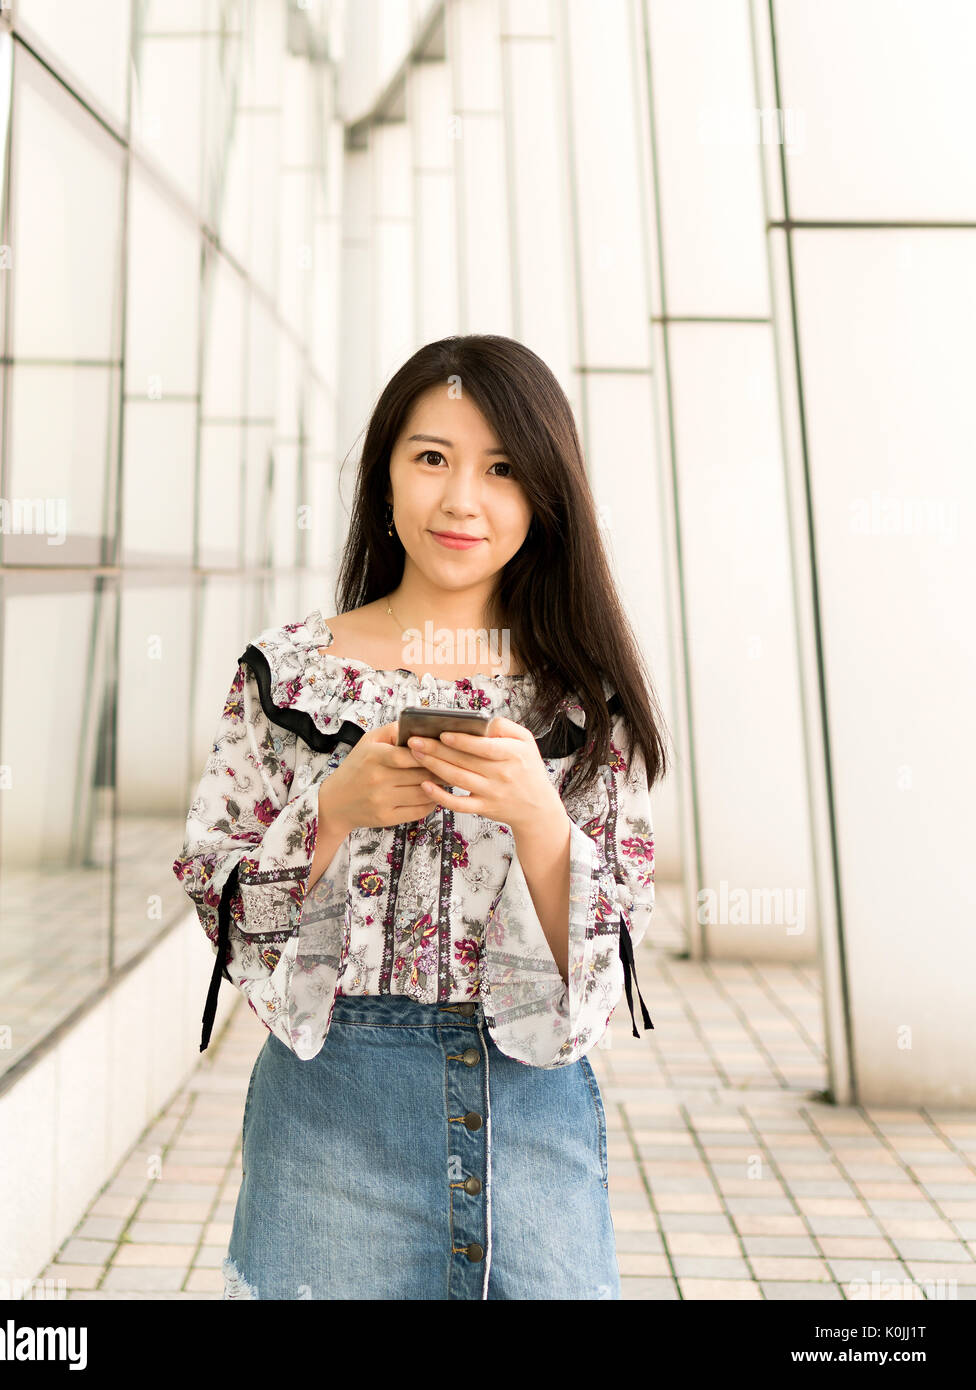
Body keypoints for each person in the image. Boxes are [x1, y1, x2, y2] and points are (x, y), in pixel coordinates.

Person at [172, 333, 669, 1300]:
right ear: (385, 473)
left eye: (502, 469)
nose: (461, 500)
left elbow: (615, 949)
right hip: (330, 1115)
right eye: (431, 457)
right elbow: (214, 894)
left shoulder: (581, 696)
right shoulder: (288, 673)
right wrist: (333, 811)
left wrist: (539, 823)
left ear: (545, 496)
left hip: (534, 1119)